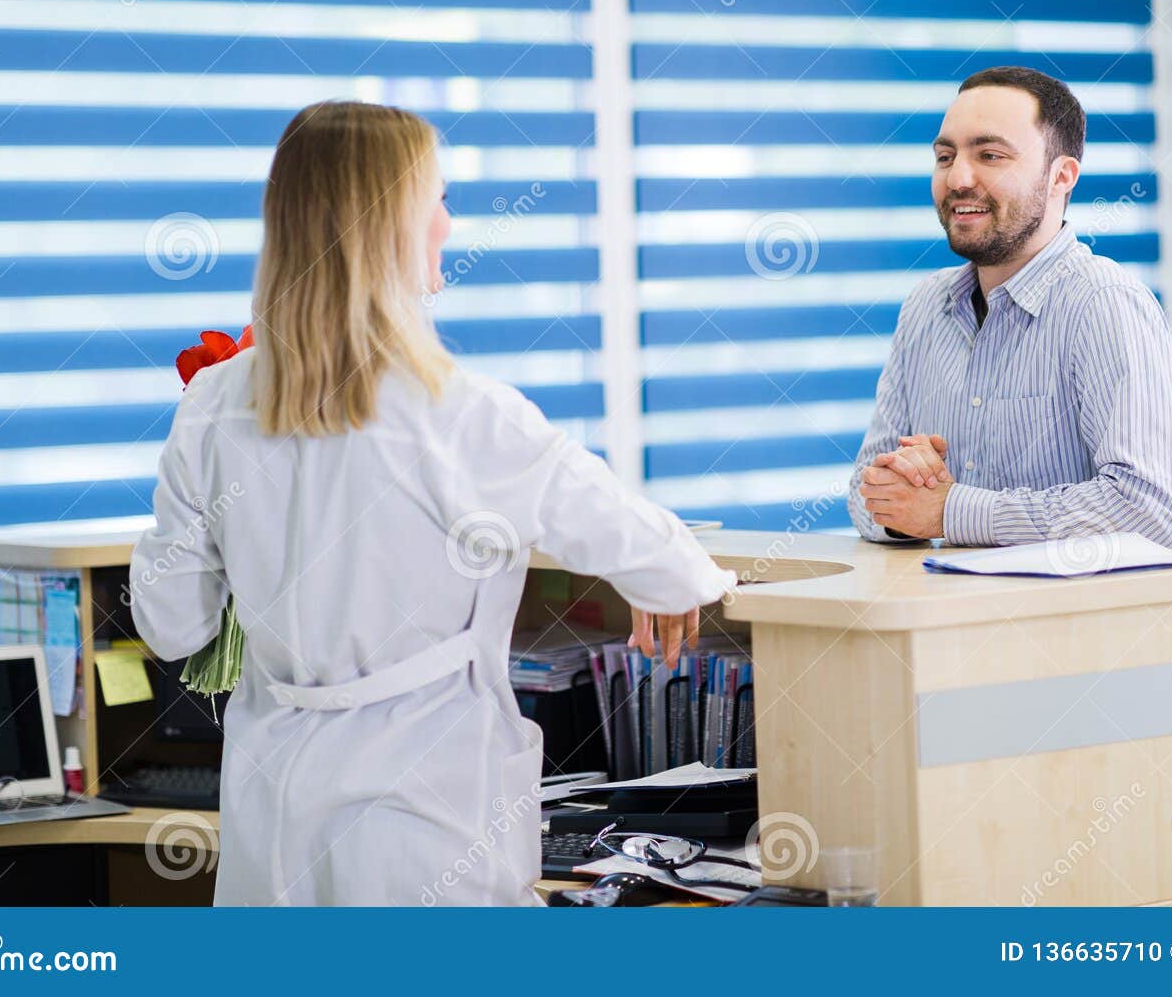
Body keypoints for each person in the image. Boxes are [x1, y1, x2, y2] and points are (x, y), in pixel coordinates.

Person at [130, 102, 734, 906]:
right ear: (389, 225)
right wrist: (679, 583)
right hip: (425, 820)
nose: (449, 222)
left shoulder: (212, 401)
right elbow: (659, 557)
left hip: (270, 810)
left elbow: (172, 622)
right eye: (437, 200)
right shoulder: (463, 412)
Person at [849, 66, 1172, 547]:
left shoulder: (1104, 305)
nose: (958, 178)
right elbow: (866, 491)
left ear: (1061, 177)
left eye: (990, 155)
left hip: (1068, 622)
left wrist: (950, 511)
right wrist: (901, 494)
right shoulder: (926, 307)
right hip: (945, 618)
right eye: (945, 156)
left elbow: (1148, 510)